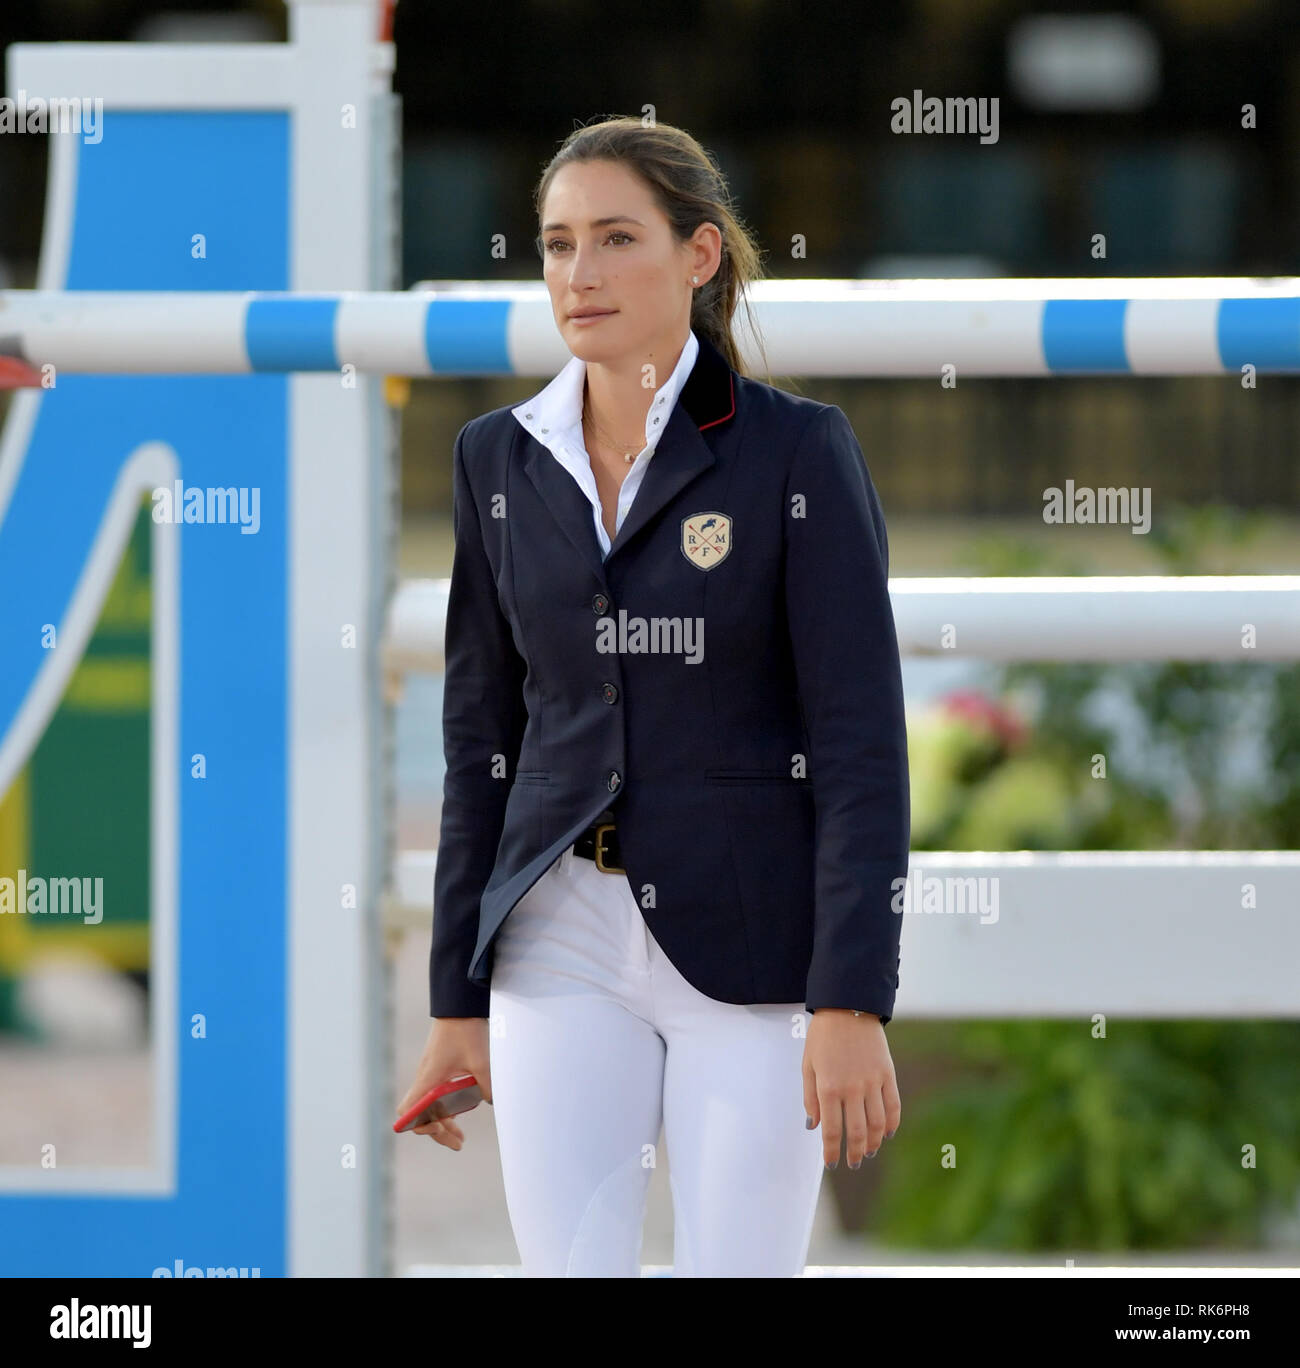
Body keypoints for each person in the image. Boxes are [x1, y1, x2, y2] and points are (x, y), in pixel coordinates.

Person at [398, 115, 910, 1277]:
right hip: (554, 943)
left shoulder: (796, 453)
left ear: (700, 254)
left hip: (755, 952)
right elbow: (480, 738)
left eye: (615, 238)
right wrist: (453, 1000)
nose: (578, 274)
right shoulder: (496, 457)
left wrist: (850, 998)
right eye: (556, 242)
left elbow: (861, 746)